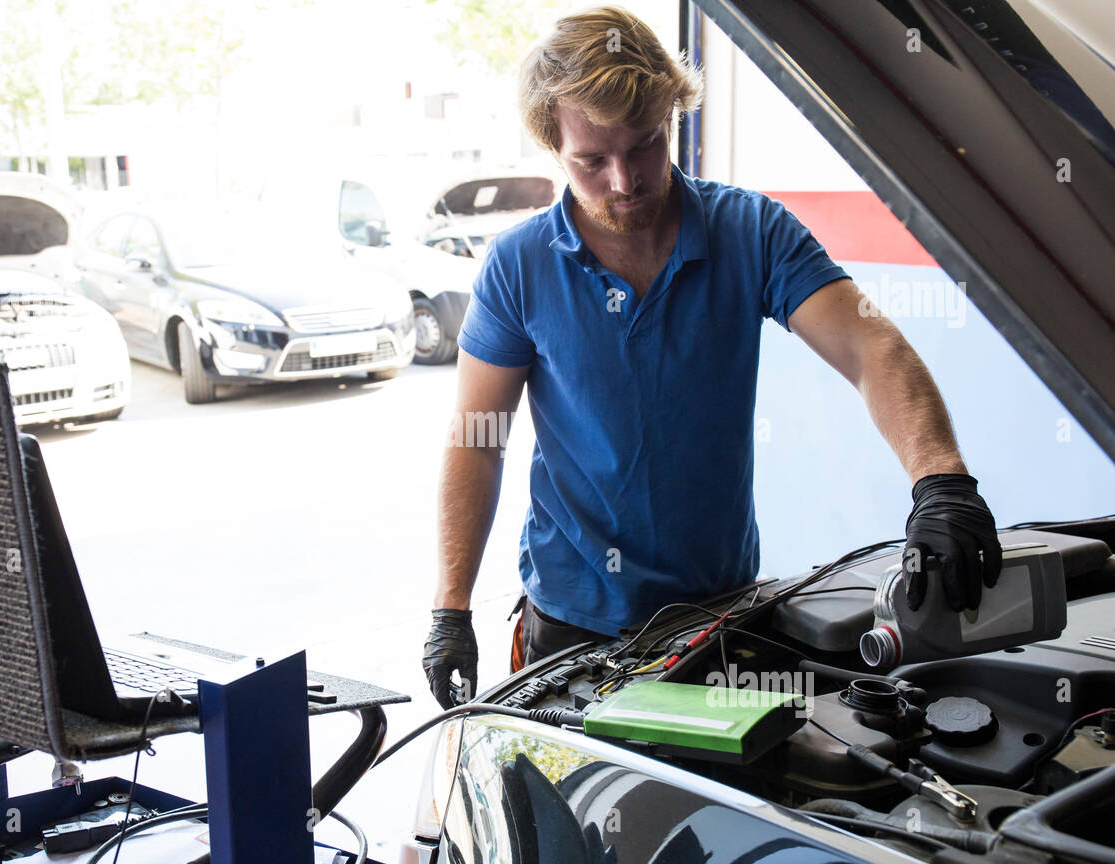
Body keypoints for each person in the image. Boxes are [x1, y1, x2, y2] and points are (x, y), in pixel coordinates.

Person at [421, 6, 1001, 710]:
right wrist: (451, 608)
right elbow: (478, 441)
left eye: (644, 146)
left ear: (672, 114)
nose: (625, 181)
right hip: (571, 630)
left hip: (722, 619)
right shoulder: (519, 266)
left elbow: (869, 345)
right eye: (591, 161)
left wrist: (940, 480)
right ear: (552, 145)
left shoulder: (750, 231)